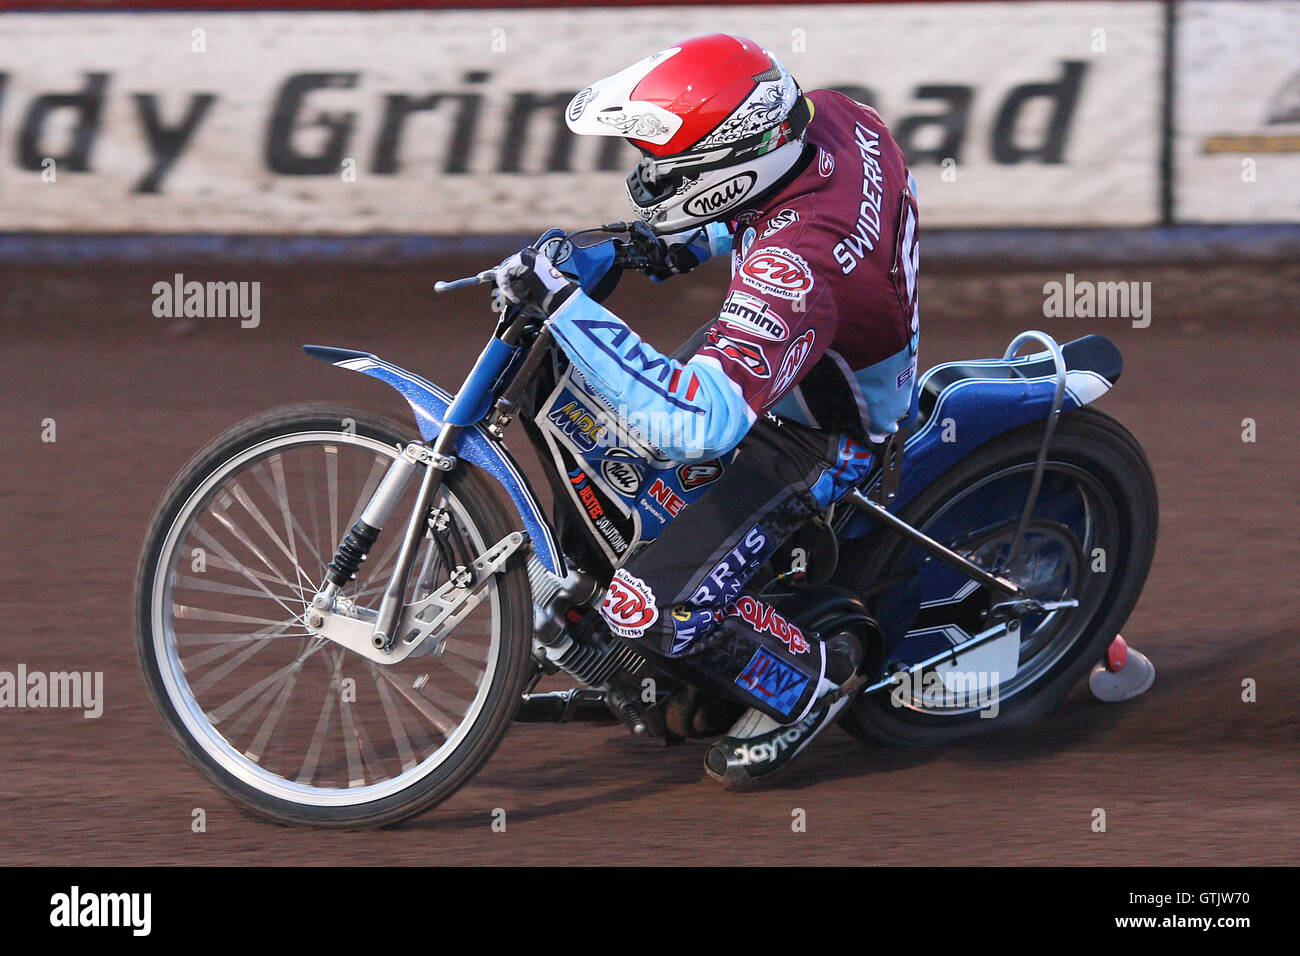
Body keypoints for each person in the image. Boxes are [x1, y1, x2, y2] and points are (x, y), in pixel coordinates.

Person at [493, 33, 920, 783]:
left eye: (669, 165)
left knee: (648, 610)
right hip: (811, 356)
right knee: (580, 407)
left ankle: (811, 680)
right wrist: (648, 249)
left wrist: (565, 305)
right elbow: (757, 200)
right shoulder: (834, 117)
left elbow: (697, 426)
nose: (651, 175)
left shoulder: (791, 271)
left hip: (817, 436)